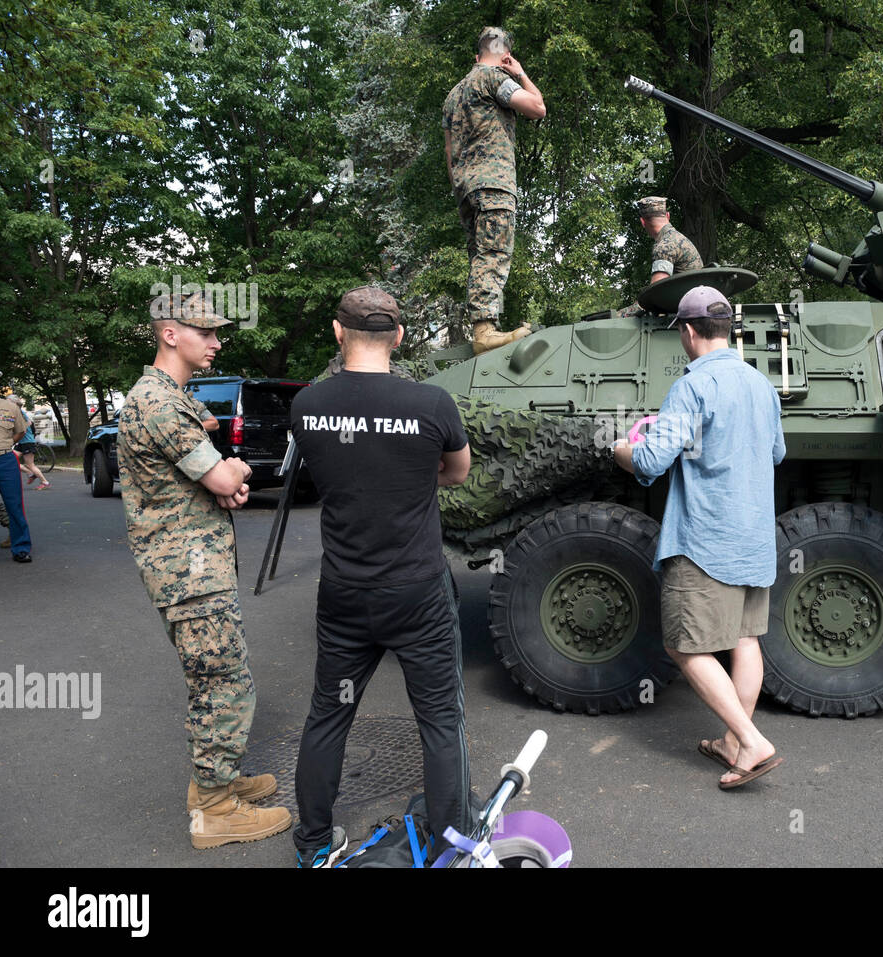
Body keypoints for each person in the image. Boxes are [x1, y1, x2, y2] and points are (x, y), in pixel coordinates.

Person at [290, 285, 473, 867]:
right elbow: (458, 472)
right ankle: (450, 848)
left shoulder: (307, 406)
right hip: (416, 591)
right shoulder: (433, 403)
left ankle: (313, 846)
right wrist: (416, 475)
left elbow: (328, 470)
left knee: (330, 713)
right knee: (441, 718)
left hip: (345, 592)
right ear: (398, 336)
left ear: (338, 333)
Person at [119, 292, 291, 847]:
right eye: (206, 333)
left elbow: (210, 485)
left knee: (212, 677)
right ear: (171, 334)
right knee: (224, 683)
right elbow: (220, 478)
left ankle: (215, 784)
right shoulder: (161, 403)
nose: (216, 343)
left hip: (192, 565)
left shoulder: (167, 396)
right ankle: (215, 812)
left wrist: (224, 483)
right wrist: (231, 473)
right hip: (188, 572)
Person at [614, 285, 786, 789]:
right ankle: (734, 742)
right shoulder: (762, 384)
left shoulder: (691, 386)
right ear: (727, 328)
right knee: (745, 639)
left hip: (705, 539)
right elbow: (775, 453)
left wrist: (621, 447)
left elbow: (649, 460)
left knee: (686, 646)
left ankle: (750, 741)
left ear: (688, 332)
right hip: (754, 538)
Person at [443, 26, 546, 355]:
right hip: (494, 181)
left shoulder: (452, 96)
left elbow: (449, 153)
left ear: (476, 56)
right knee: (495, 253)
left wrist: (461, 185)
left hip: (465, 188)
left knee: (479, 256)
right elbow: (536, 108)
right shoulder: (492, 77)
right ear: (504, 56)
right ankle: (485, 332)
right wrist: (520, 74)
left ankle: (483, 327)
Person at [0, 391, 32, 562]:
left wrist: (6, 444)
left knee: (15, 505)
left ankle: (21, 548)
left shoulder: (10, 407)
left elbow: (20, 431)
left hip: (4, 460)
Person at [637, 196, 702, 284]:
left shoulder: (664, 247)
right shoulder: (678, 238)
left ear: (642, 222)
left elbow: (656, 290)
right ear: (668, 215)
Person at [11, 396, 50, 488]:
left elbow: (24, 427)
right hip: (21, 442)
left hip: (27, 442)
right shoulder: (20, 413)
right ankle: (30, 473)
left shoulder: (19, 413)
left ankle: (45, 482)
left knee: (30, 464)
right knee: (11, 460)